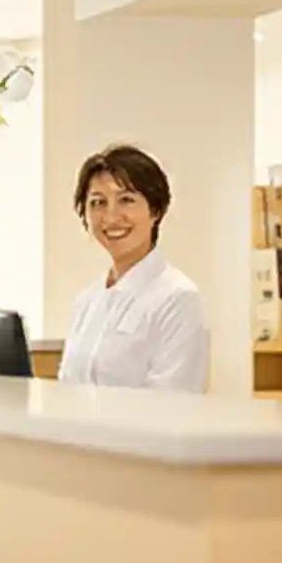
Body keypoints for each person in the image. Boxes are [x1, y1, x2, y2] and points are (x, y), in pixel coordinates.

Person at [57, 144, 209, 393]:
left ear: (155, 211)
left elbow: (172, 403)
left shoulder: (178, 299)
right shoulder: (86, 301)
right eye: (98, 202)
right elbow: (67, 390)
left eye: (126, 200)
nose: (111, 217)